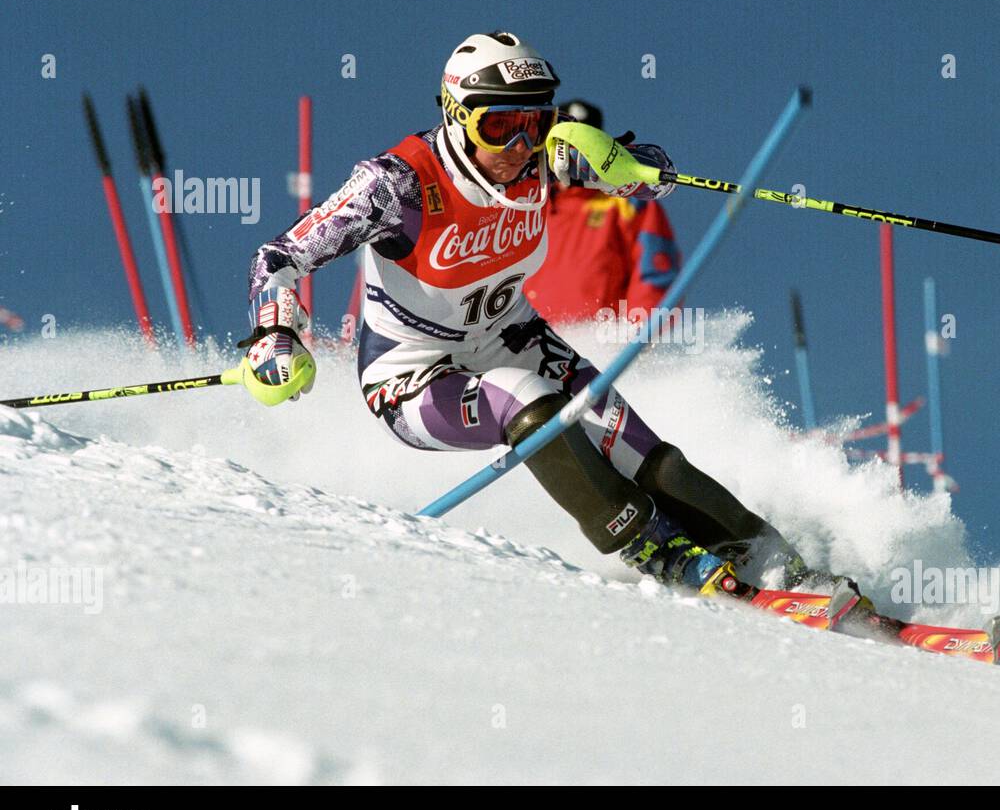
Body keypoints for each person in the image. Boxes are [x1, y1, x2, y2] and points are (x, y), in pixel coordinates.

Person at [238, 31, 863, 604]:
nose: (518, 145)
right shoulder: (395, 186)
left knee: (639, 448)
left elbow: (653, 177)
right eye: (500, 124)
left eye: (534, 123)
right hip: (411, 374)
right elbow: (278, 258)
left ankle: (778, 565)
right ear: (457, 117)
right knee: (528, 399)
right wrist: (275, 334)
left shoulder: (547, 162)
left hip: (512, 337)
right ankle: (655, 548)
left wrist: (631, 167)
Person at [522, 100, 681, 323]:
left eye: (583, 145)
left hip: (598, 343)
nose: (572, 155)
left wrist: (642, 336)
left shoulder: (628, 203)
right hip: (523, 342)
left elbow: (657, 271)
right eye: (564, 144)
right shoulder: (528, 197)